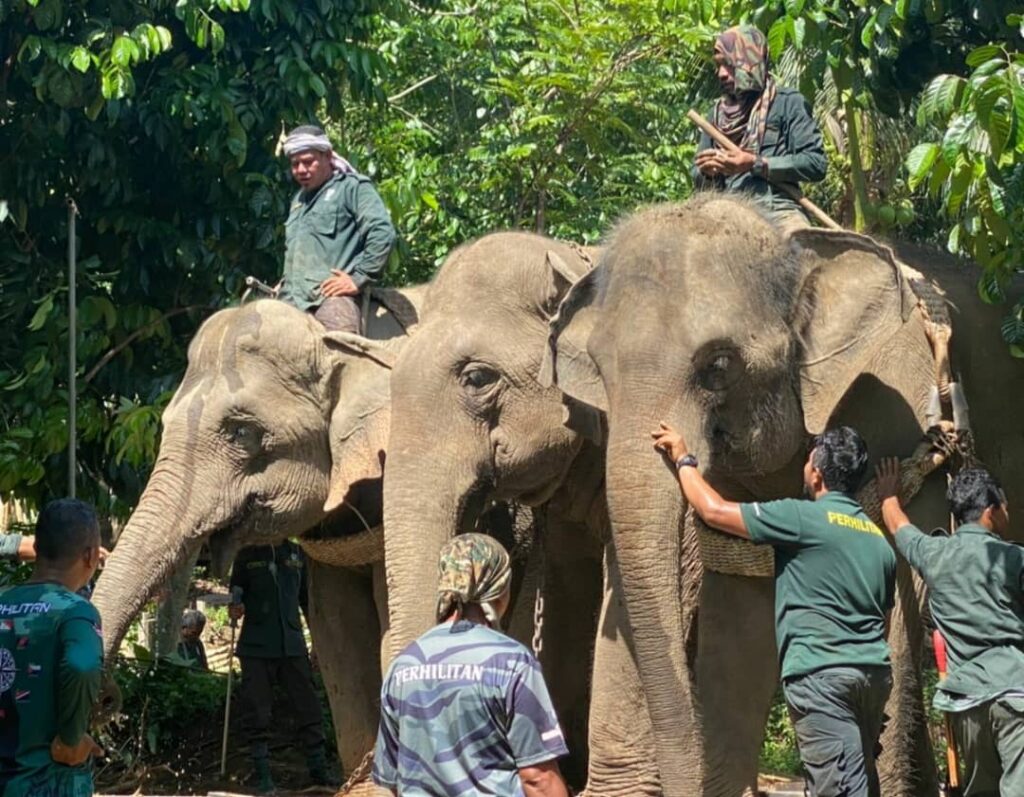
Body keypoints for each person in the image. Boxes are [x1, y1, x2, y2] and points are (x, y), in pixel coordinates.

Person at [652, 423, 895, 797]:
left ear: (816, 472)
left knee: (840, 789)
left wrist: (684, 458)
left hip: (822, 676)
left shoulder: (802, 519)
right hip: (872, 678)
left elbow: (713, 510)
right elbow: (883, 615)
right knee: (856, 781)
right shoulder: (876, 539)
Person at [373, 533, 570, 797]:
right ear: (499, 588)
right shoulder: (511, 662)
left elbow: (393, 778)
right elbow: (539, 779)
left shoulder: (404, 664)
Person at [877, 462, 1024, 795]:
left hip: (968, 703)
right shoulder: (1013, 559)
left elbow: (900, 527)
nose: (1007, 510)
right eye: (1003, 504)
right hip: (1016, 693)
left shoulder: (934, 554)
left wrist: (887, 495)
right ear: (991, 509)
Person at [0, 499, 105, 797]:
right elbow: (82, 665)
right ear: (90, 555)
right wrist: (71, 739)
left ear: (38, 549)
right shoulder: (75, 611)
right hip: (46, 783)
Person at [693, 25, 827, 231]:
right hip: (727, 211)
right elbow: (699, 181)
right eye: (718, 66)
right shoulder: (716, 115)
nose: (721, 74)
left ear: (750, 62)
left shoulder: (788, 103)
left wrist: (756, 163)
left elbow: (816, 164)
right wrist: (708, 172)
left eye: (729, 64)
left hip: (779, 210)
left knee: (801, 253)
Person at [228, 540, 333, 792]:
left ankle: (319, 770)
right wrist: (235, 607)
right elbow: (236, 592)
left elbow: (307, 602)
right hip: (256, 647)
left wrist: (317, 642)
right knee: (257, 710)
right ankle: (263, 776)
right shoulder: (246, 554)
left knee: (309, 706)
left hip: (292, 645)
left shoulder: (297, 554)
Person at [277, 124, 397, 332]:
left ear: (327, 156)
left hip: (330, 299)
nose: (301, 170)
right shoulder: (298, 201)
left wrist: (357, 279)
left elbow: (382, 233)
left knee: (338, 351)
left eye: (308, 162)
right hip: (290, 301)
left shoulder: (352, 188)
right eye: (295, 164)